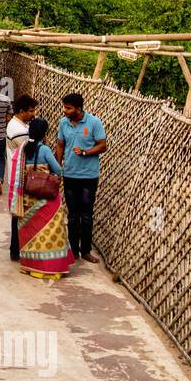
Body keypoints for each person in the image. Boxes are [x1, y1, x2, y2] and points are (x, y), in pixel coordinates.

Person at [12, 117, 74, 278]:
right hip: (45, 197)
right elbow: (57, 170)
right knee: (51, 230)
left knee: (31, 231)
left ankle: (30, 266)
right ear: (44, 133)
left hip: (27, 197)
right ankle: (50, 267)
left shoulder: (23, 149)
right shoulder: (44, 150)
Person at [54, 92, 108, 264]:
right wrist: (58, 168)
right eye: (64, 107)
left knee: (86, 215)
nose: (64, 110)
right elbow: (60, 145)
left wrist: (86, 152)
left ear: (78, 109)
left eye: (68, 108)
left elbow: (102, 145)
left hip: (88, 177)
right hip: (69, 175)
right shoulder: (63, 123)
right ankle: (73, 251)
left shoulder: (94, 122)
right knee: (72, 215)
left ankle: (86, 251)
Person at [5, 95, 39, 261]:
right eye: (31, 111)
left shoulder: (18, 124)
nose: (33, 114)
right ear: (21, 111)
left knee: (18, 212)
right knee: (19, 213)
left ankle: (17, 248)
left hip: (16, 175)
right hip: (19, 176)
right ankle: (16, 249)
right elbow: (30, 150)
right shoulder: (18, 130)